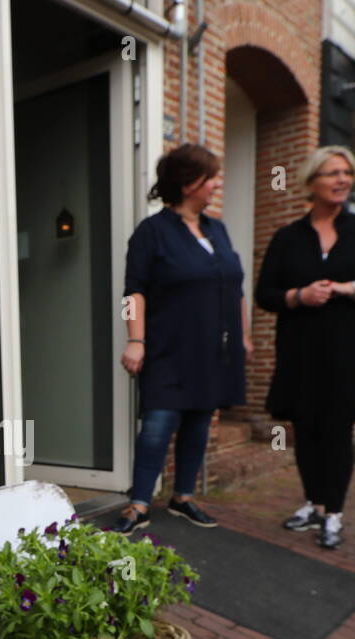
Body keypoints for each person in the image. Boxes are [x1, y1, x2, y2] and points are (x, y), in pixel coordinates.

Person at [255, 146, 355, 550]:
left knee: (337, 430)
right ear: (311, 182)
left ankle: (334, 513)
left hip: (346, 350)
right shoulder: (287, 237)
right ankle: (314, 504)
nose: (343, 180)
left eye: (348, 172)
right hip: (299, 349)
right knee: (305, 428)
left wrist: (354, 289)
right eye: (333, 172)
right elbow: (266, 293)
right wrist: (298, 296)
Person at [113, 143, 252, 535]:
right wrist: (135, 340)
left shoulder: (217, 229)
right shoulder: (152, 232)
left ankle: (183, 497)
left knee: (200, 421)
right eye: (211, 177)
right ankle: (139, 503)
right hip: (168, 347)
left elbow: (235, 285)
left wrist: (242, 334)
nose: (216, 184)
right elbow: (133, 291)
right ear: (189, 183)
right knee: (158, 423)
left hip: (214, 349)